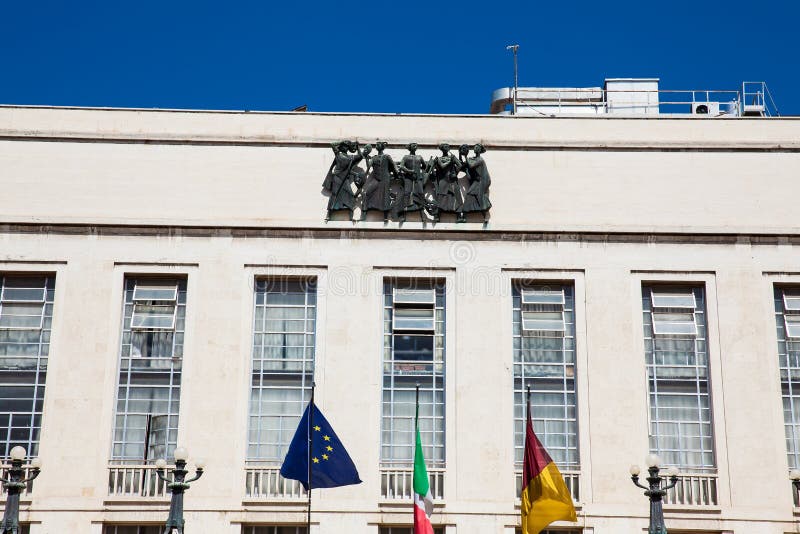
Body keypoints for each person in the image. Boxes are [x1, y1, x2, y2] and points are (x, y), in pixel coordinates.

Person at [322, 140, 365, 221]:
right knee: (334, 195)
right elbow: (332, 144)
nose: (345, 148)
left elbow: (360, 156)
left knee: (350, 195)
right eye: (344, 146)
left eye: (346, 146)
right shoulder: (338, 155)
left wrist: (357, 146)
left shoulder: (350, 157)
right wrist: (343, 142)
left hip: (345, 180)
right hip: (337, 178)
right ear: (341, 147)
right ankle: (329, 215)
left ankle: (351, 216)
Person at [361, 140, 399, 222]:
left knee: (385, 197)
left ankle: (385, 217)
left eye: (378, 145)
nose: (376, 146)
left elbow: (394, 166)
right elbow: (368, 167)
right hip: (376, 179)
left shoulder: (387, 157)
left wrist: (396, 175)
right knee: (367, 193)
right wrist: (366, 159)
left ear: (382, 146)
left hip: (385, 179)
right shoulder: (374, 157)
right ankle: (364, 214)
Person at [430, 143, 462, 222]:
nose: (447, 148)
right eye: (445, 147)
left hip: (451, 180)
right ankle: (438, 214)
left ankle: (458, 215)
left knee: (456, 196)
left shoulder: (452, 157)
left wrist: (455, 173)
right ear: (442, 149)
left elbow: (460, 165)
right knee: (441, 196)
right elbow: (442, 166)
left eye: (448, 146)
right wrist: (451, 161)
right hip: (443, 180)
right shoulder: (439, 159)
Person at [460, 143, 492, 222]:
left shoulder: (480, 159)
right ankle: (465, 215)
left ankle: (483, 216)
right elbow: (464, 165)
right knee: (474, 196)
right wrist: (460, 155)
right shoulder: (473, 158)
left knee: (477, 195)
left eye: (477, 147)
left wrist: (465, 156)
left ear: (480, 150)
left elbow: (470, 165)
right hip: (477, 181)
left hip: (482, 181)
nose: (475, 148)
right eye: (475, 147)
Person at [398, 142, 429, 221]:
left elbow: (425, 166)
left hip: (418, 178)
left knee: (421, 194)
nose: (415, 147)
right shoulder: (406, 157)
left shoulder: (419, 157)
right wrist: (409, 171)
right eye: (414, 145)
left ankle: (422, 214)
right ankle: (403, 216)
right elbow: (401, 166)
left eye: (416, 146)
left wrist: (421, 172)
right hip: (408, 178)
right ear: (410, 147)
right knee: (407, 193)